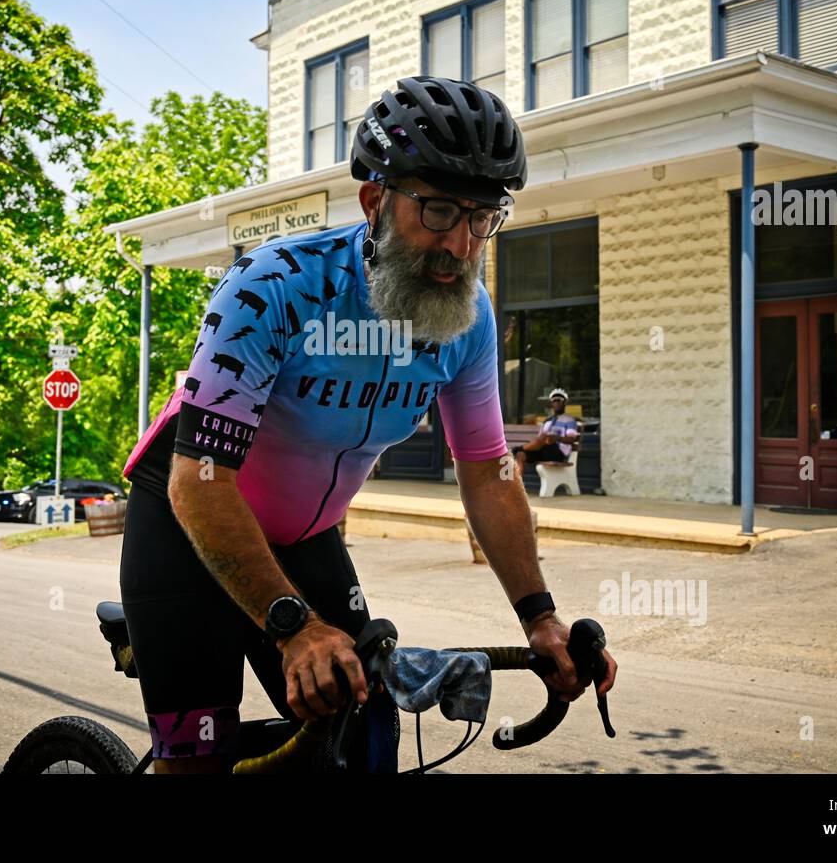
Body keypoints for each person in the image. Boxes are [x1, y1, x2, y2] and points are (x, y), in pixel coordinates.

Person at [118, 76, 617, 773]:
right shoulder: (275, 286)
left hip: (304, 537)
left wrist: (540, 618)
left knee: (359, 725)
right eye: (439, 209)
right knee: (196, 757)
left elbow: (487, 474)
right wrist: (292, 627)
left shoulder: (467, 322)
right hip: (188, 522)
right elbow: (201, 483)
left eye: (483, 217)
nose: (461, 244)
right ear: (374, 202)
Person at [511, 387, 581, 473]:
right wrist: (545, 439)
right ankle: (518, 485)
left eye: (559, 400)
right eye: (554, 400)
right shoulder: (547, 421)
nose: (556, 402)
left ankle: (516, 449)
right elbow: (539, 440)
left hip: (559, 453)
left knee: (545, 437)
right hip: (544, 451)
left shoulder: (569, 420)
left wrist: (556, 438)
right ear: (551, 403)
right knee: (520, 455)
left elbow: (572, 439)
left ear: (564, 402)